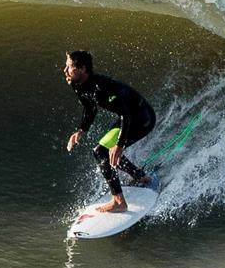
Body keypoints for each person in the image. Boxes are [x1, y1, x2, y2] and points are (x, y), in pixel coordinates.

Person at [63, 49, 157, 211]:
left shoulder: (101, 88)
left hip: (142, 118)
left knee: (102, 151)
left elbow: (126, 114)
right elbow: (90, 108)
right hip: (128, 116)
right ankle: (142, 178)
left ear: (83, 69)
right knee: (105, 151)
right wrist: (81, 130)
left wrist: (119, 145)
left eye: (70, 66)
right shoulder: (77, 84)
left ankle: (119, 202)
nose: (65, 70)